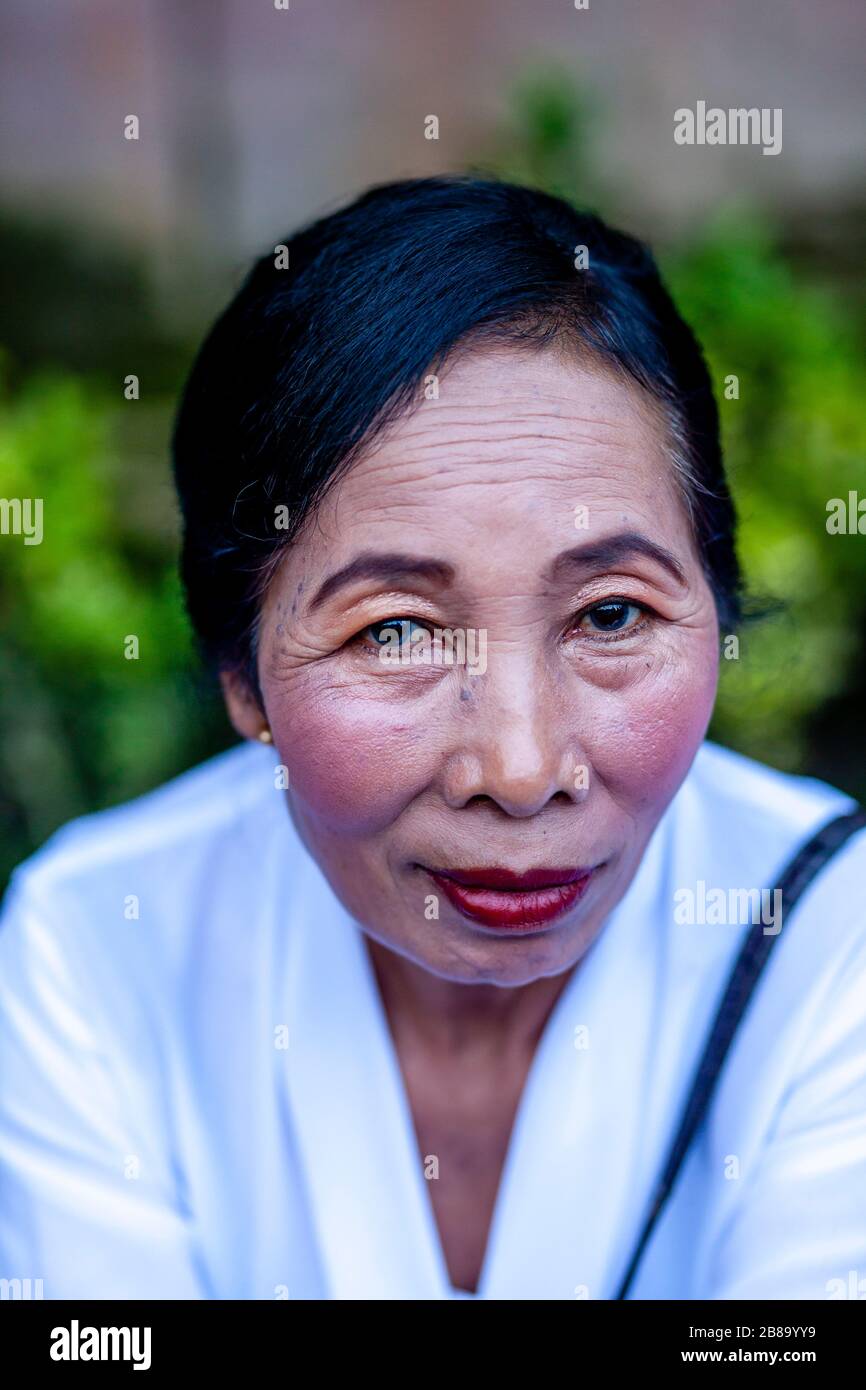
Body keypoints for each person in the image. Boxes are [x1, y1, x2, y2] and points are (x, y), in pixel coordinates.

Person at [1, 176, 864, 1300]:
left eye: (610, 614)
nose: (516, 769)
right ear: (238, 675)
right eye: (394, 631)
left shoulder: (828, 943)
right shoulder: (100, 951)